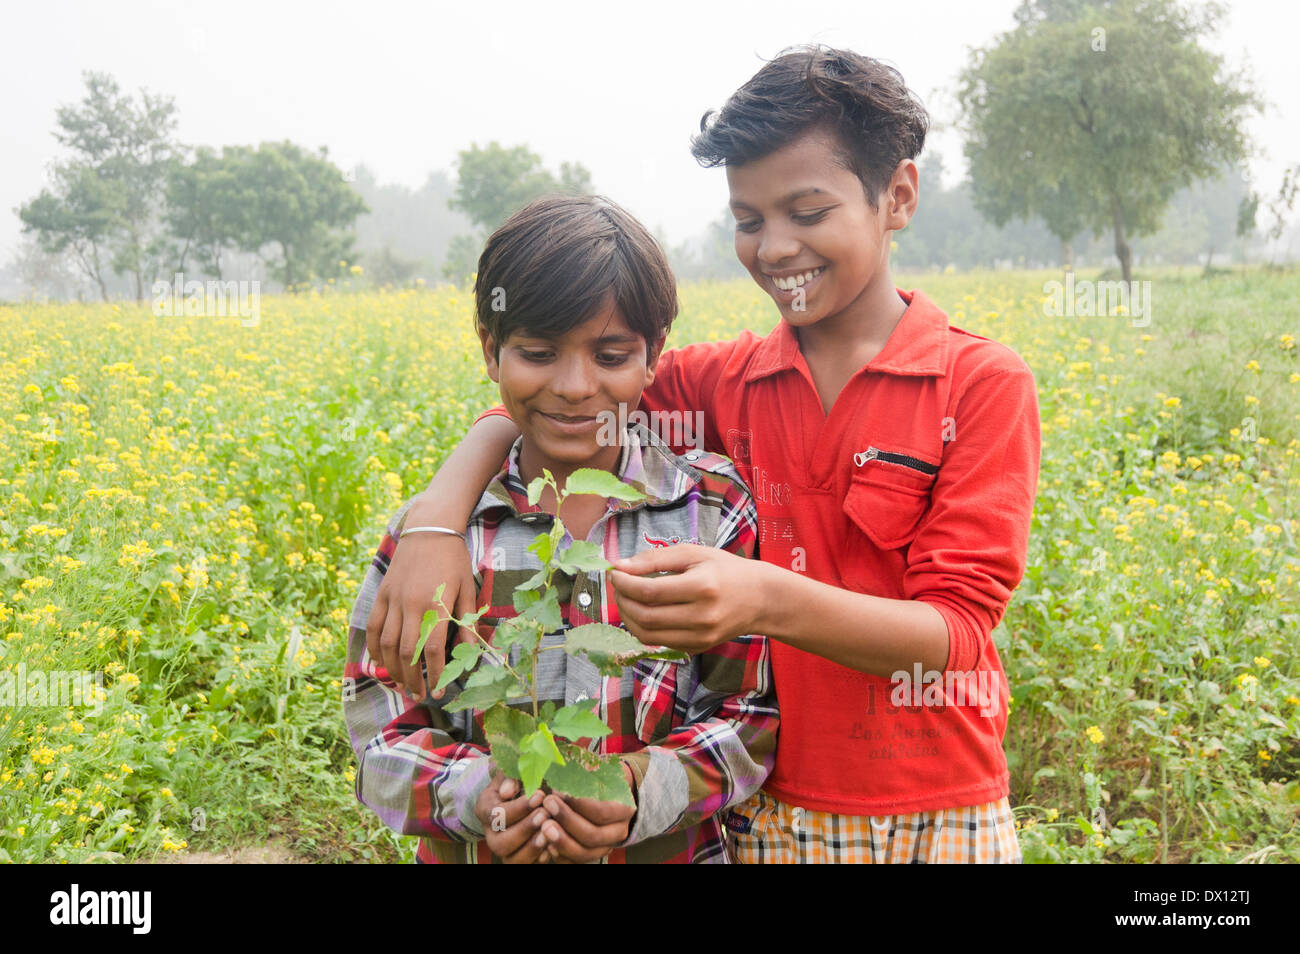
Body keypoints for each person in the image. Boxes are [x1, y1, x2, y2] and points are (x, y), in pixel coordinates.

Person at [369, 45, 1040, 863]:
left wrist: (762, 597)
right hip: (767, 818)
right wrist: (437, 522)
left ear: (897, 195)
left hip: (934, 803)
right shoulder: (726, 382)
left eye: (807, 211)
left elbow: (961, 628)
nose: (775, 247)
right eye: (749, 220)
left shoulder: (978, 383)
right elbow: (551, 405)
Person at [344, 194, 778, 863]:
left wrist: (639, 789)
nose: (575, 386)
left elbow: (750, 719)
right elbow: (379, 730)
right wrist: (476, 796)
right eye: (539, 352)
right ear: (492, 352)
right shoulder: (435, 539)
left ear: (653, 356)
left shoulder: (710, 511)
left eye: (610, 356)